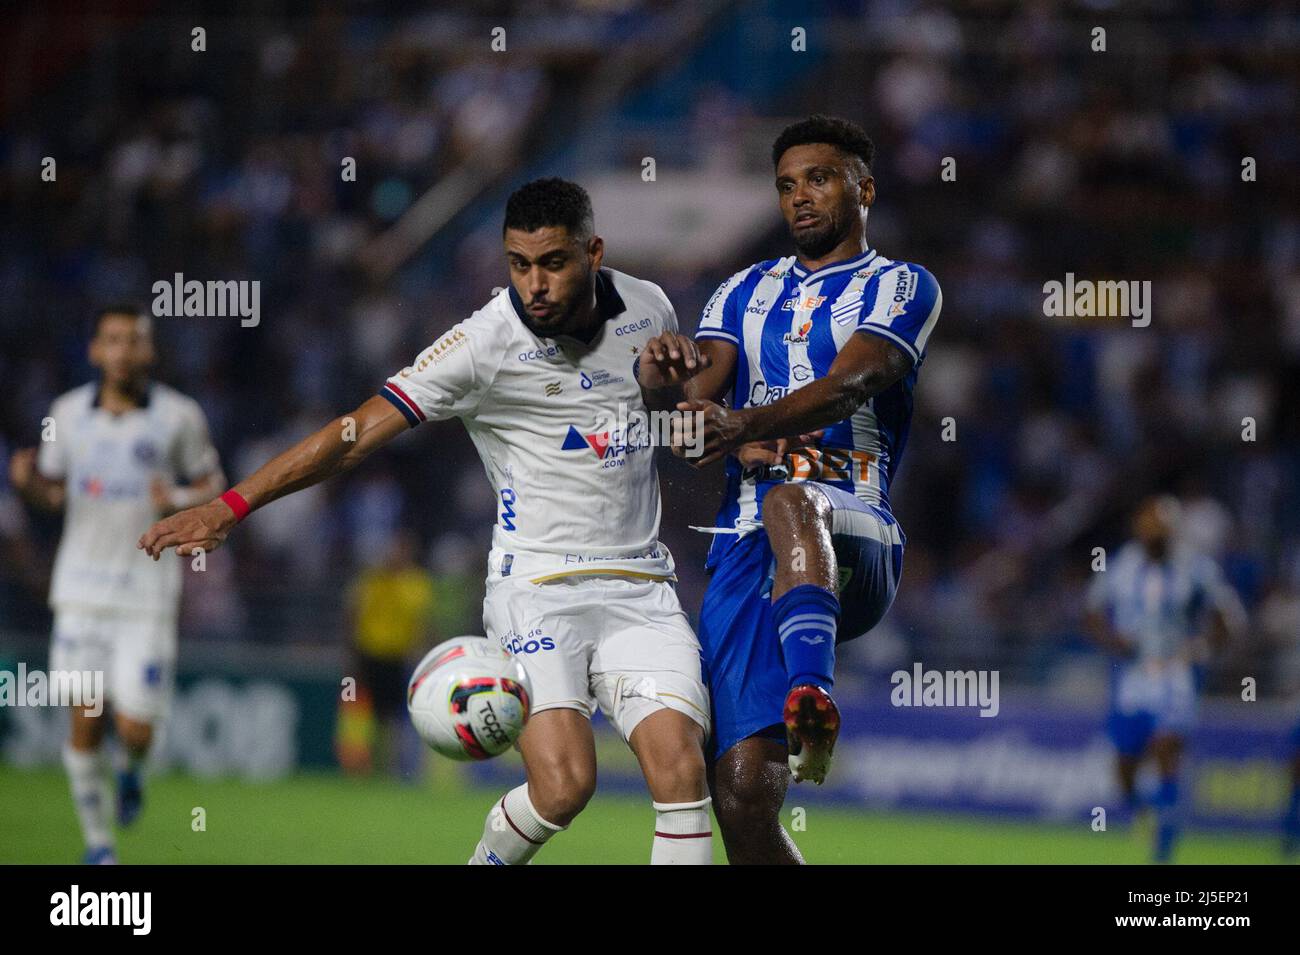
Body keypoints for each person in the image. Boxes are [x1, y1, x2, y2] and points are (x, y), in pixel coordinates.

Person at [140, 178, 715, 865]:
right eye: (518, 264)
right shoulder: (483, 343)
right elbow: (353, 433)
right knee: (564, 787)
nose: (534, 283)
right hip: (537, 588)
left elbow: (672, 427)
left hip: (639, 588)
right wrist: (231, 505)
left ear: (593, 252)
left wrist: (671, 392)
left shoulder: (649, 307)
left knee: (681, 772)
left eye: (553, 263)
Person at [660, 114, 941, 863]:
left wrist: (743, 424)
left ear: (864, 187)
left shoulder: (903, 284)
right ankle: (795, 718)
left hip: (856, 534)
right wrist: (669, 393)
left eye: (818, 178)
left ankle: (813, 699)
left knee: (793, 498)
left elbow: (856, 380)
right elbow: (698, 407)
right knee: (742, 795)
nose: (800, 198)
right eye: (787, 185)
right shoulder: (741, 291)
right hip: (744, 552)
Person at [9, 305, 224, 864]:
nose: (123, 350)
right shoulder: (66, 414)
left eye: (134, 340)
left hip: (146, 596)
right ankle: (99, 846)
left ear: (149, 351)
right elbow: (54, 495)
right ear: (95, 351)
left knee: (133, 728)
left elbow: (214, 485)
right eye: (112, 340)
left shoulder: (179, 416)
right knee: (83, 718)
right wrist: (30, 482)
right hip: (80, 590)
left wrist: (174, 500)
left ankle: (130, 771)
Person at [1085, 495, 1244, 863]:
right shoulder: (1121, 565)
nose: (1152, 537)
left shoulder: (1196, 567)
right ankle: (1144, 810)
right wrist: (1111, 639)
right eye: (1147, 529)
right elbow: (1091, 610)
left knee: (1167, 749)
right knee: (1124, 768)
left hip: (1174, 675)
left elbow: (1226, 616)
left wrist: (1202, 648)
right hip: (1132, 677)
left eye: (1159, 530)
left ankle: (1164, 847)